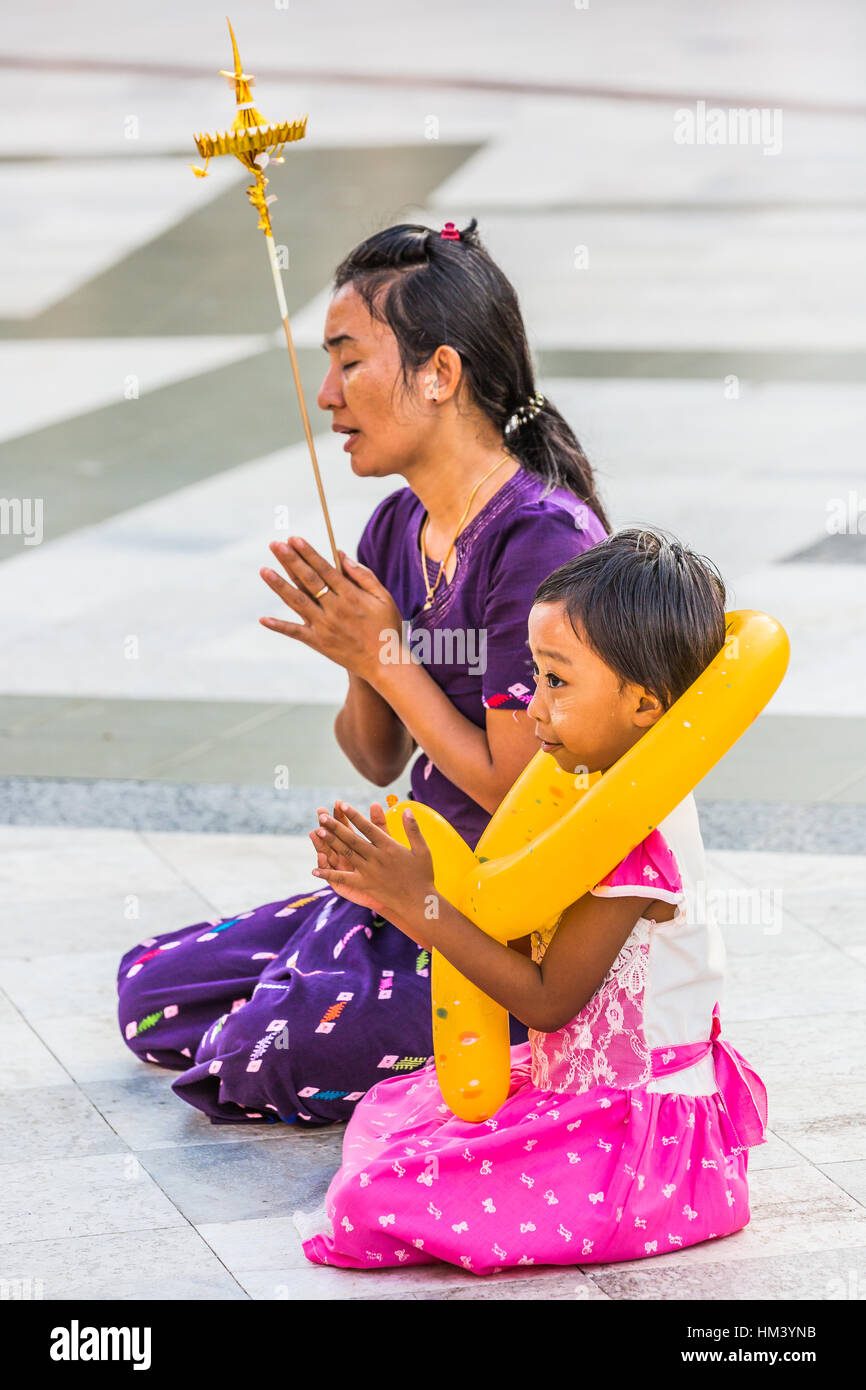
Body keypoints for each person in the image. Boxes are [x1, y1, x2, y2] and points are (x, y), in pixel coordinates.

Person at [115, 218, 609, 1127]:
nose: (328, 394)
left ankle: (420, 1014)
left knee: (267, 1059)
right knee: (149, 990)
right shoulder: (393, 526)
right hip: (410, 880)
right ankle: (329, 981)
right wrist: (358, 656)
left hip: (496, 909)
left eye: (349, 360)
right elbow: (376, 761)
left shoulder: (535, 538)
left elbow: (516, 791)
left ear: (440, 374)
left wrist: (384, 651)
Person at [297, 529, 768, 1272]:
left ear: (644, 705)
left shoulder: (632, 833)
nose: (532, 702)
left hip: (637, 1146)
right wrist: (401, 884)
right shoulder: (587, 795)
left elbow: (547, 1002)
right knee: (392, 1111)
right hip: (579, 1089)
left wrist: (414, 904)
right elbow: (516, 928)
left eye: (556, 680)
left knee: (369, 1201)